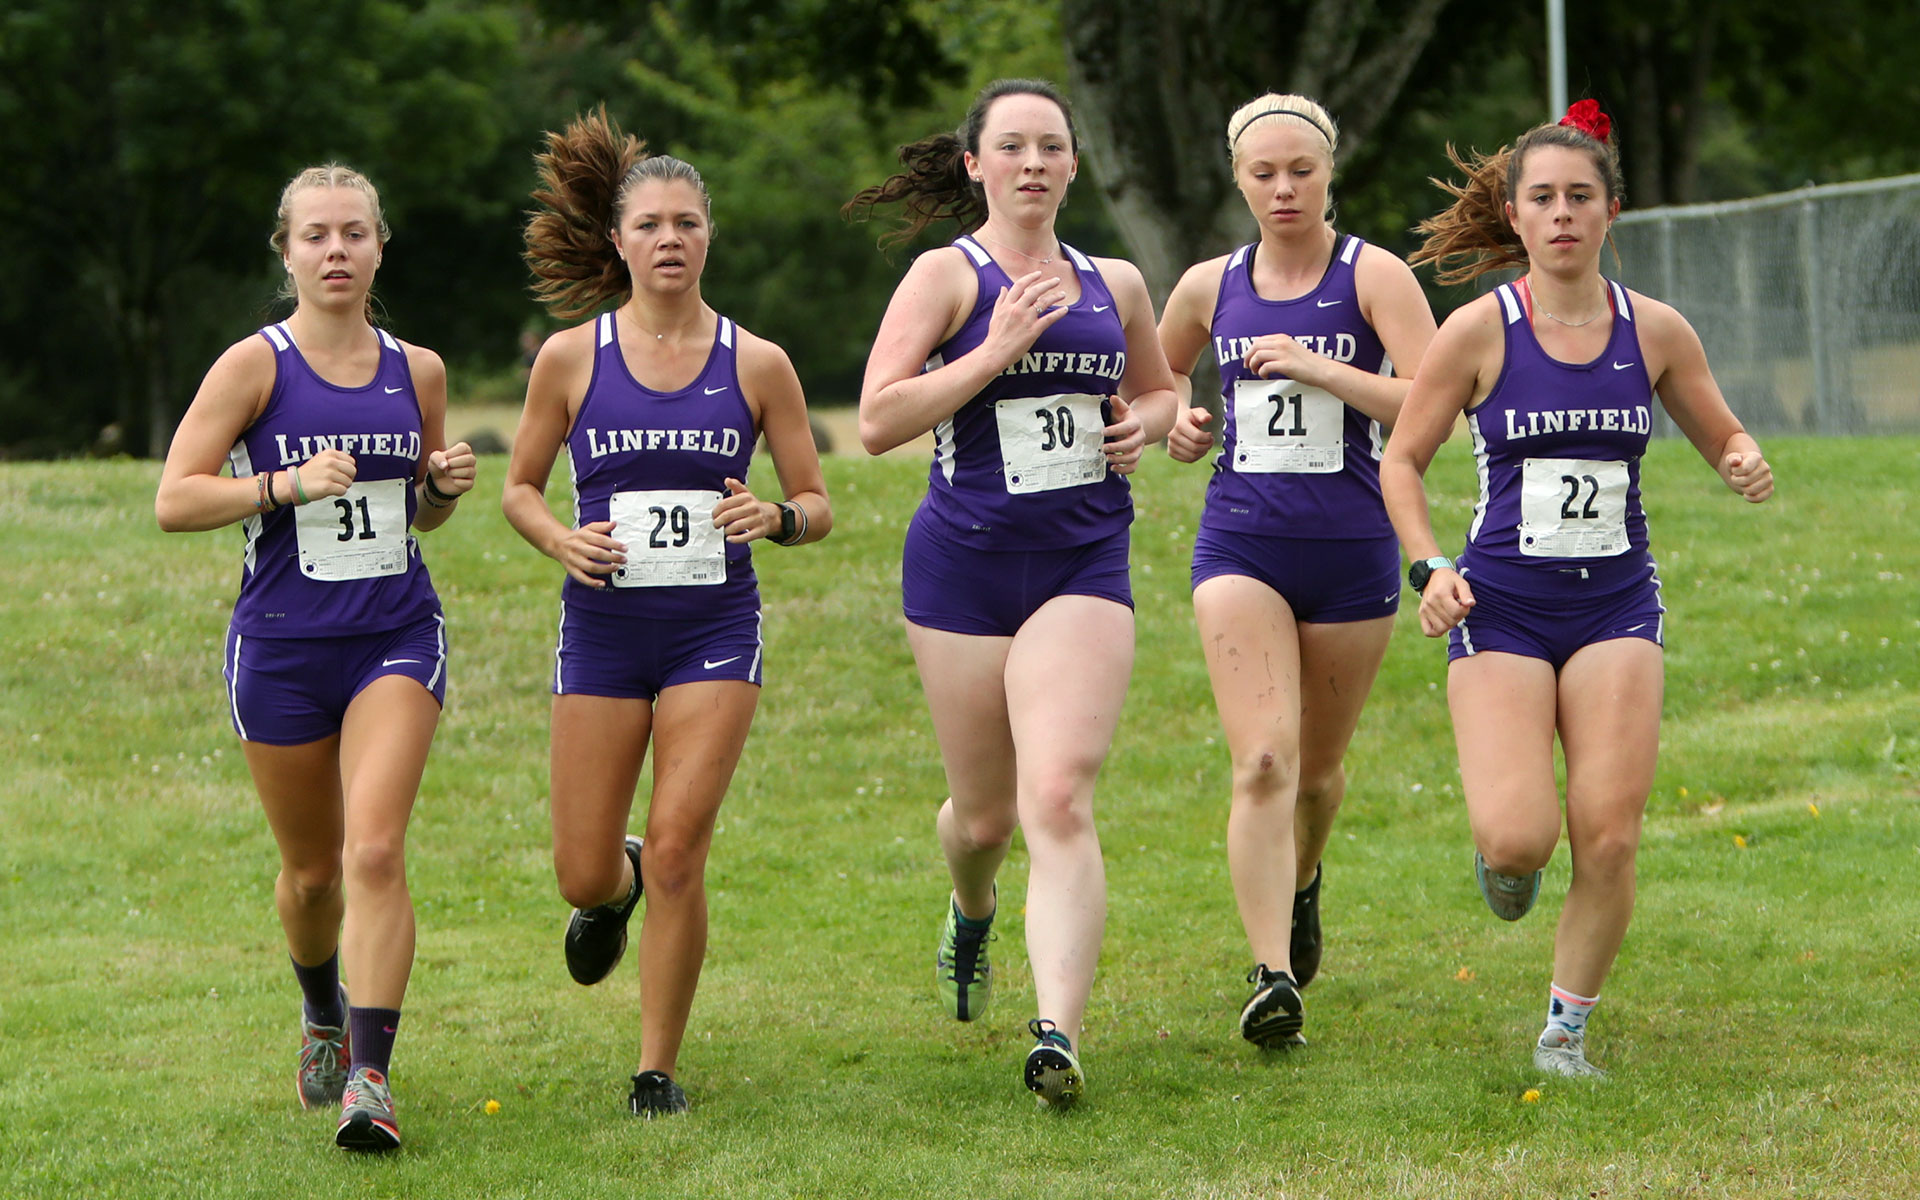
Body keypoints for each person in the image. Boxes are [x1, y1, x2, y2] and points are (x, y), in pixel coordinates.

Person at [1380, 101, 1774, 1077]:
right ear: (1514, 216)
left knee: (1608, 834)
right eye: (1543, 198)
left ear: (1610, 212)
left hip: (1616, 609)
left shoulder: (1656, 331)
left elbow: (1721, 431)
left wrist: (1742, 456)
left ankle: (1565, 1032)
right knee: (1520, 838)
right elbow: (1402, 461)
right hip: (1501, 607)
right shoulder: (1477, 332)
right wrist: (1429, 567)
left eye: (1580, 197)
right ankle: (1506, 868)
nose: (1562, 214)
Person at [845, 78, 1178, 1109]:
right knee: (985, 820)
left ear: (1074, 165)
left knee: (1059, 795)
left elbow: (1165, 388)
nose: (1035, 162)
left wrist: (1146, 425)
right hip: (963, 570)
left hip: (1083, 564)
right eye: (1014, 147)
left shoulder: (1112, 281)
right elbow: (876, 420)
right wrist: (992, 352)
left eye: (1052, 146)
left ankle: (1057, 1035)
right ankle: (971, 907)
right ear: (976, 165)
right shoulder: (946, 275)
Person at [504, 109, 831, 1117]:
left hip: (713, 630)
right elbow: (518, 489)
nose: (671, 240)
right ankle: (616, 884)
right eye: (651, 224)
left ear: (709, 235)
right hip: (601, 628)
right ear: (619, 239)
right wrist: (562, 539)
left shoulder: (757, 362)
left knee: (685, 846)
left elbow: (817, 504)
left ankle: (656, 1070)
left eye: (688, 223)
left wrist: (773, 515)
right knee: (580, 872)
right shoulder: (570, 359)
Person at [155, 164, 477, 1151]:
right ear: (286, 252)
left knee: (374, 848)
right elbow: (176, 497)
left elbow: (416, 510)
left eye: (354, 234)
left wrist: (445, 487)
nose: (336, 251)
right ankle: (322, 1012)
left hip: (394, 633)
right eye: (316, 236)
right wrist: (283, 485)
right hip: (283, 646)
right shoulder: (254, 366)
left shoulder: (416, 368)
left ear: (380, 245)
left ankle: (369, 1081)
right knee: (311, 877)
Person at [1156, 94, 1437, 1048]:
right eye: (1264, 173)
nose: (1284, 189)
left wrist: (1323, 370)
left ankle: (1305, 878)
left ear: (1330, 174)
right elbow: (1158, 390)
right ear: (1238, 179)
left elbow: (1431, 405)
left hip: (1352, 549)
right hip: (1240, 542)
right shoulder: (1207, 286)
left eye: (1302, 172)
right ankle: (1272, 975)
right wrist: (1184, 424)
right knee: (1264, 759)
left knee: (1315, 776)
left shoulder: (1374, 277)